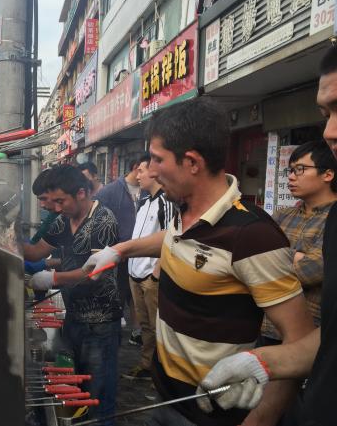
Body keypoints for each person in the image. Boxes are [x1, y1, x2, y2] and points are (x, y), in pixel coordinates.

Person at [83, 97, 314, 426]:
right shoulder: (184, 210)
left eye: (156, 159)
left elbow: (301, 344)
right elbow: (174, 240)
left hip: (214, 415)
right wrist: (120, 250)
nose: (147, 171)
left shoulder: (252, 236)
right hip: (166, 395)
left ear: (191, 162)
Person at [195, 45, 337, 426]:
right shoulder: (287, 215)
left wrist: (285, 263)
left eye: (300, 169)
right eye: (326, 114)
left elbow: (299, 269)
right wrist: (261, 361)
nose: (330, 131)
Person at [24, 164, 121, 425]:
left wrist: (52, 278)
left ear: (80, 193)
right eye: (52, 201)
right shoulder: (64, 220)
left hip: (100, 321)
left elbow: (92, 273)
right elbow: (36, 252)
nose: (55, 207)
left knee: (99, 394)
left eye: (60, 201)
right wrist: (9, 244)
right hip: (74, 316)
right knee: (77, 392)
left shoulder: (103, 220)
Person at [261, 140, 337, 346]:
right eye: (291, 170)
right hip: (265, 324)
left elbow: (313, 270)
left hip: (312, 335)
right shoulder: (281, 216)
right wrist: (295, 256)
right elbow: (255, 260)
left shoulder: (333, 218)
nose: (292, 177)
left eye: (300, 169)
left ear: (328, 175)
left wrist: (274, 259)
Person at [122, 153, 174, 381]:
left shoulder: (167, 201)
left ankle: (162, 374)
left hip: (151, 277)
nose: (138, 175)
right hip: (135, 274)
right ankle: (146, 365)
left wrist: (156, 274)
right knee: (144, 326)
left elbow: (172, 238)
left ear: (154, 172)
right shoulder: (143, 200)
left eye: (141, 170)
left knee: (157, 327)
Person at [94, 158, 143, 342]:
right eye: (145, 169)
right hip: (119, 253)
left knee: (138, 295)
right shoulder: (111, 191)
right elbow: (97, 216)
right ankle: (112, 332)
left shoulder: (151, 191)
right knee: (120, 293)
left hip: (143, 254)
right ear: (136, 167)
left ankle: (137, 332)